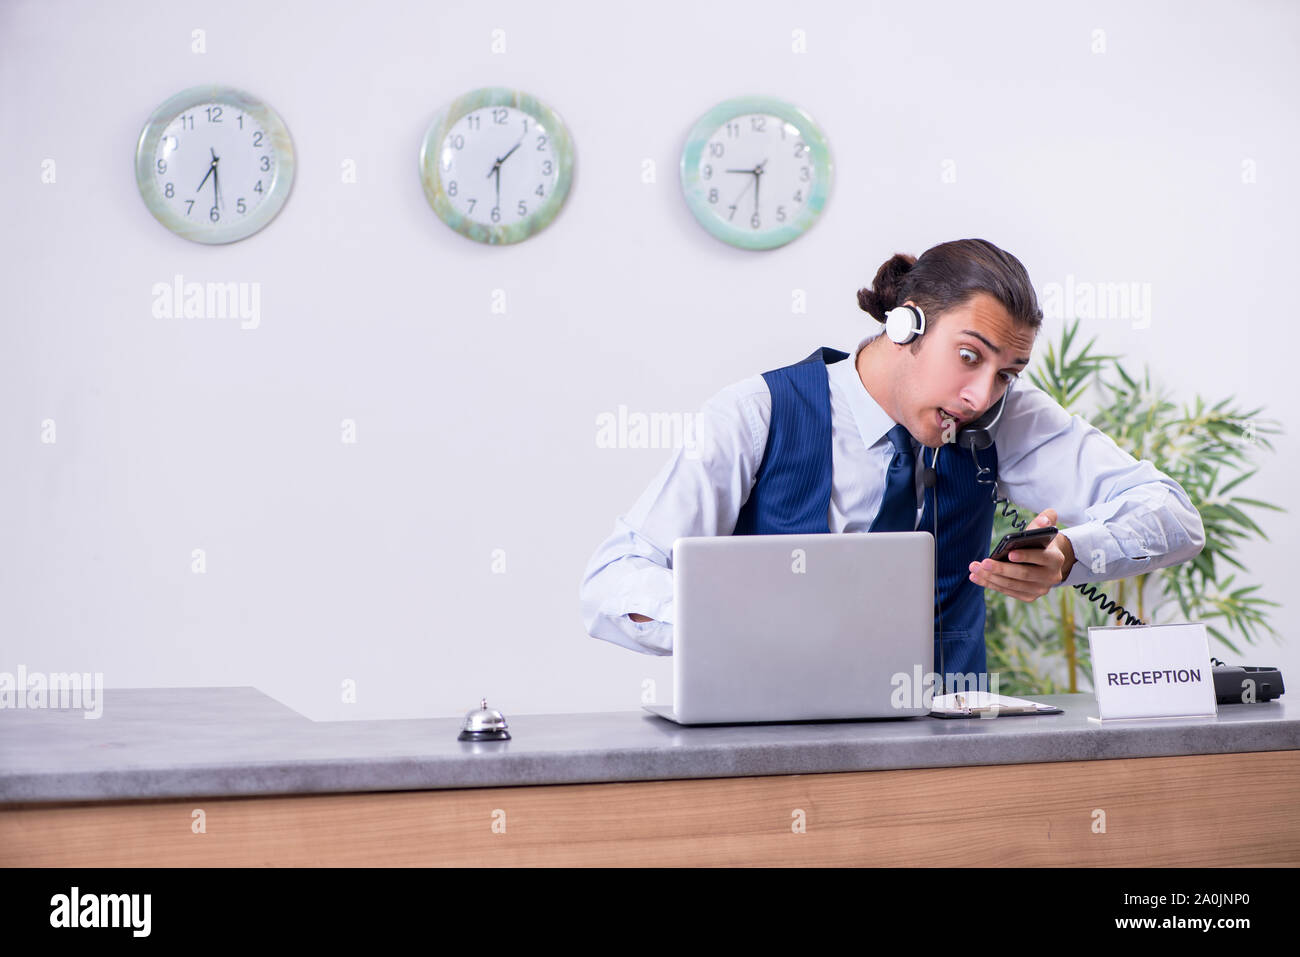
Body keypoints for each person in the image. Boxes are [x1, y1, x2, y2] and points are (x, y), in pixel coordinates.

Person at [578, 238, 1205, 682]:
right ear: (905, 327)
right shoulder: (754, 414)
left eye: (1007, 373)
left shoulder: (1001, 417)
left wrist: (1071, 554)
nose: (981, 394)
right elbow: (613, 579)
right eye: (969, 356)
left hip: (948, 764)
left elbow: (1174, 516)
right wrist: (743, 615)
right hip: (767, 753)